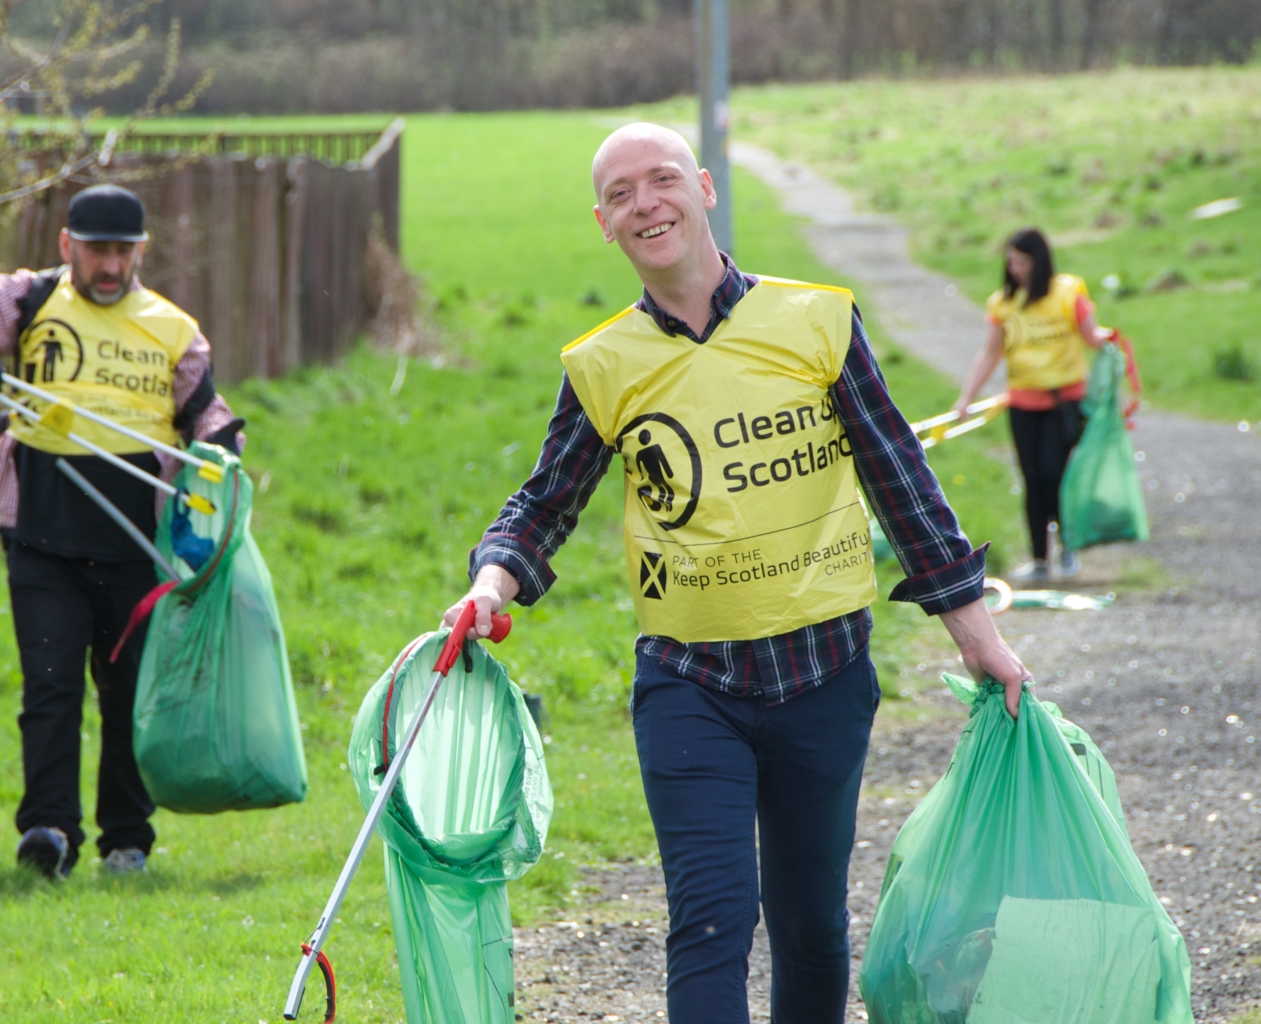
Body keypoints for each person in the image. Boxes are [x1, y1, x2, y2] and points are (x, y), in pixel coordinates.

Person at [442, 123, 1030, 1024]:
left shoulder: (816, 320)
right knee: (711, 920)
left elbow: (898, 475)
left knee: (811, 927)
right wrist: (491, 583)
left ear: (705, 188)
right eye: (621, 194)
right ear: (602, 222)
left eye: (662, 179)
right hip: (690, 683)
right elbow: (545, 502)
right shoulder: (602, 366)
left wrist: (976, 633)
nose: (646, 203)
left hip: (825, 672)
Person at [0, 184, 244, 879]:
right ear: (68, 246)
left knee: (126, 695)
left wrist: (224, 449)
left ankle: (127, 841)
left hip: (137, 546)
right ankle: (50, 833)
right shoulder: (30, 300)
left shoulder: (175, 329)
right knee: (50, 687)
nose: (110, 266)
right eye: (96, 252)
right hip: (42, 536)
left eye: (123, 252)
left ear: (141, 252)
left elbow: (207, 413)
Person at [954, 227, 1110, 581]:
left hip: (1063, 403)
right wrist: (966, 398)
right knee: (1032, 478)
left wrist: (1108, 340)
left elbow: (1091, 336)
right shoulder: (1003, 303)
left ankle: (1068, 546)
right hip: (1022, 405)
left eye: (1023, 262)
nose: (1016, 270)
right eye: (1011, 263)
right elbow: (990, 353)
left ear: (1040, 262)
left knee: (1054, 474)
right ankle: (1039, 558)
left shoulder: (1068, 293)